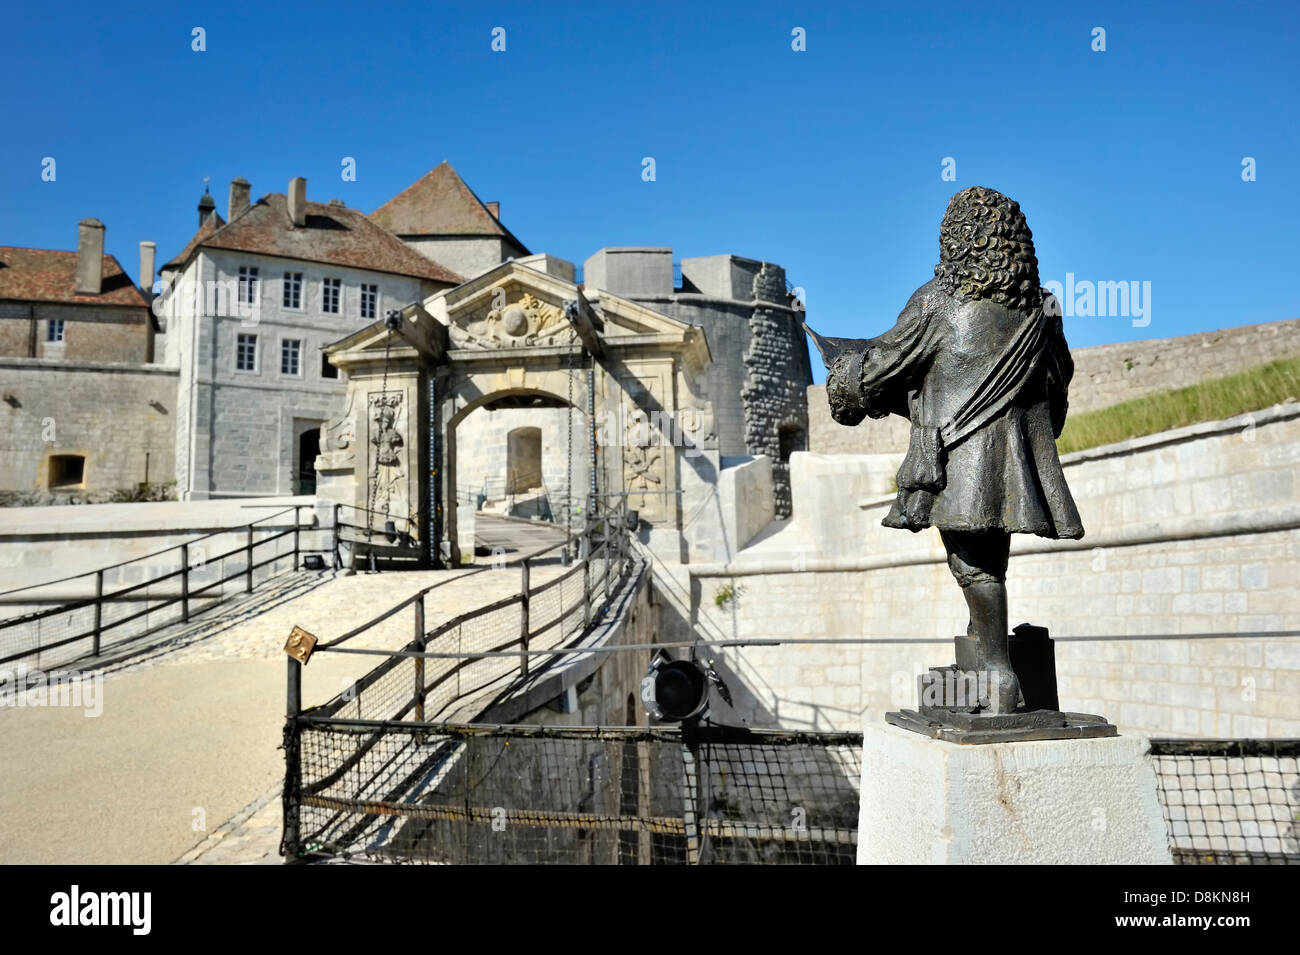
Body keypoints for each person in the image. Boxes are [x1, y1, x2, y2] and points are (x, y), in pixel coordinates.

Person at [813, 186, 1083, 712]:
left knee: (974, 568)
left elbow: (884, 364)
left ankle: (997, 677)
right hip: (1017, 461)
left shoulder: (937, 300)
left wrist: (842, 379)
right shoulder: (1044, 307)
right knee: (990, 565)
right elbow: (1059, 380)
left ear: (955, 239)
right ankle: (982, 654)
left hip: (961, 462)